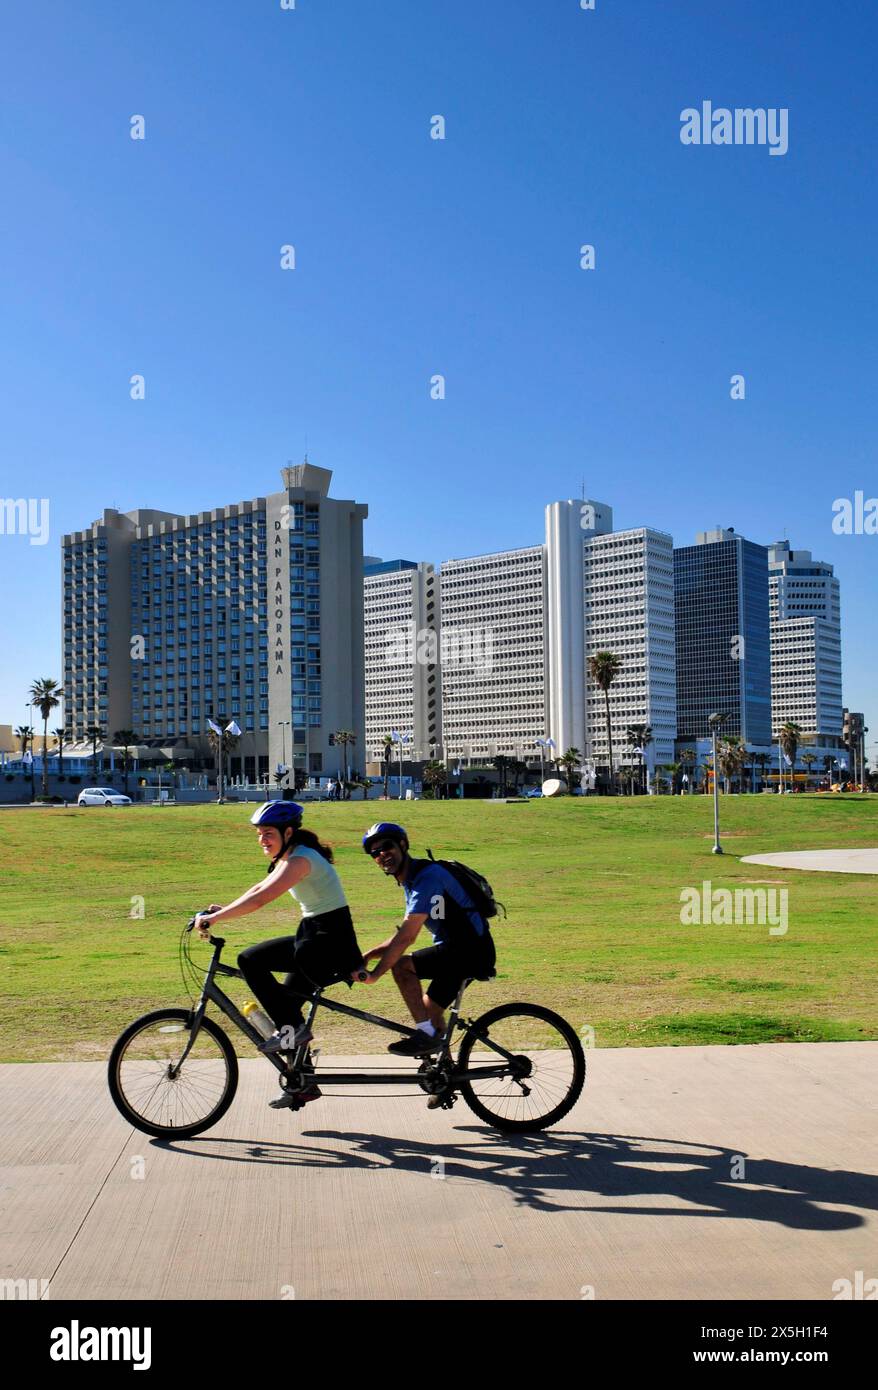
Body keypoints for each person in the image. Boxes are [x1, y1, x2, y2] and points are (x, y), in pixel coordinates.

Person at [193, 802, 364, 1110]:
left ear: (288, 832)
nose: (262, 840)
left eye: (268, 833)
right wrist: (224, 910)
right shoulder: (290, 857)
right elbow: (259, 887)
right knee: (286, 1010)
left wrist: (217, 920)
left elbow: (260, 900)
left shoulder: (301, 860)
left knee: (250, 960)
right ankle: (305, 1084)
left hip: (327, 943)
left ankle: (295, 1034)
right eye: (259, 834)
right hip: (313, 938)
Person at [356, 822, 496, 1076]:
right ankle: (445, 1074)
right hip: (457, 951)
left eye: (386, 846)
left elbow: (407, 937)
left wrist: (375, 974)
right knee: (431, 1014)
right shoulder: (412, 879)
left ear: (403, 845)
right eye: (374, 853)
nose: (381, 854)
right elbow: (404, 933)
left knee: (402, 966)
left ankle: (424, 1036)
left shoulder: (427, 877)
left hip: (468, 950)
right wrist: (368, 955)